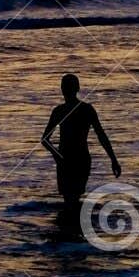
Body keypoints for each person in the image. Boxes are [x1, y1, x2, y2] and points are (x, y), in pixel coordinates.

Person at [42, 73, 121, 207]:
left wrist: (57, 156)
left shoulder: (63, 111)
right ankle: (75, 225)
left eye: (66, 87)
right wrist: (113, 159)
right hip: (76, 159)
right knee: (73, 198)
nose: (65, 90)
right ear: (77, 88)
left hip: (71, 159)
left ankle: (71, 226)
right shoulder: (83, 109)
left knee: (70, 198)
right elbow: (101, 135)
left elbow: (45, 140)